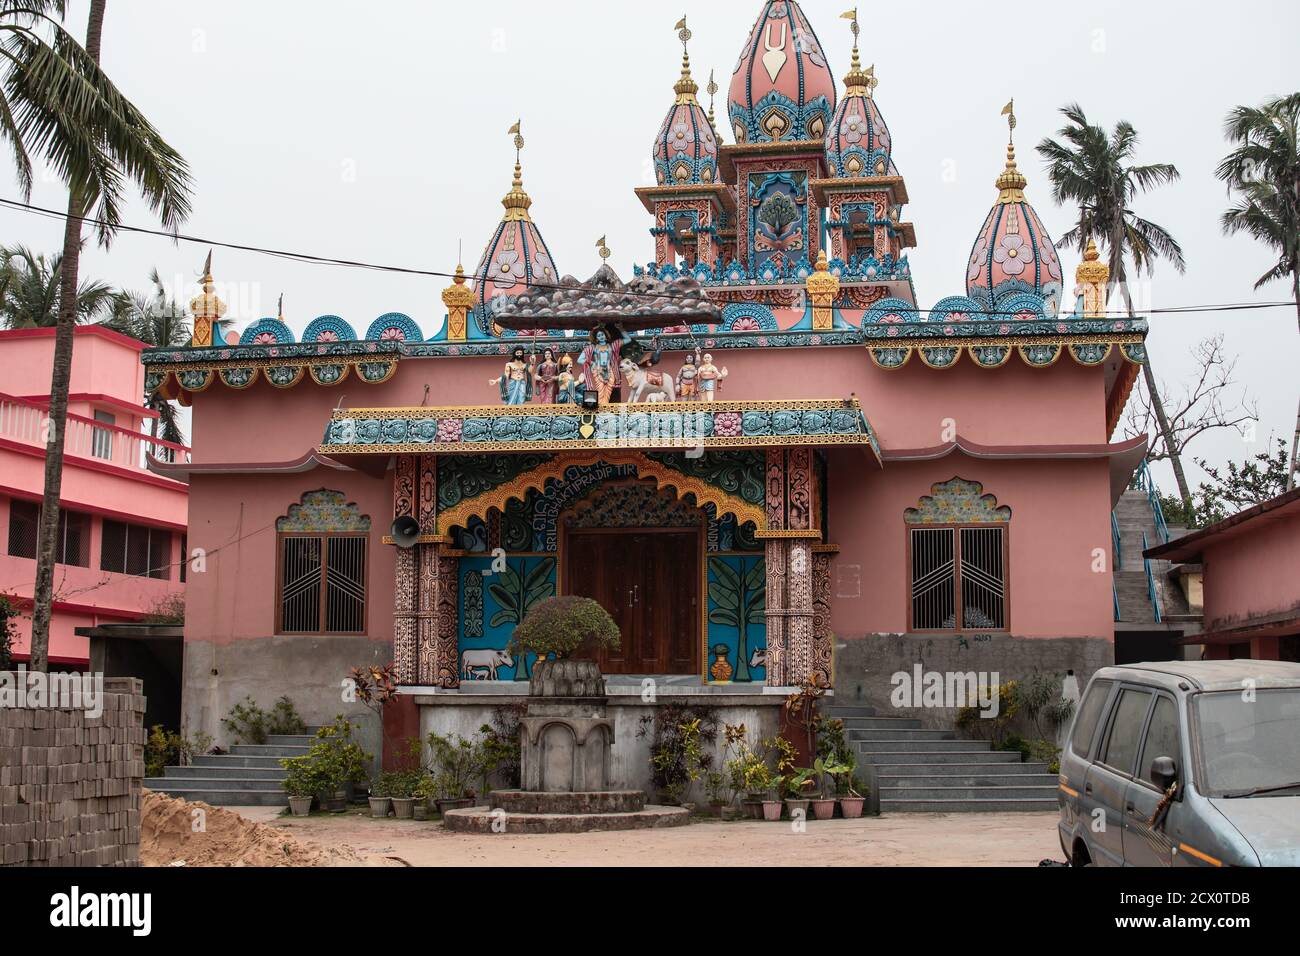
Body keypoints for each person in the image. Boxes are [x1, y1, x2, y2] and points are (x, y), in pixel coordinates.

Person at [577, 324, 630, 405]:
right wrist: (592, 363)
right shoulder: (593, 347)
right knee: (600, 391)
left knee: (608, 392)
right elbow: (580, 360)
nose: (601, 337)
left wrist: (621, 328)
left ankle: (605, 410)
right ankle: (602, 411)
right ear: (596, 338)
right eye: (598, 336)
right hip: (598, 371)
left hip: (610, 371)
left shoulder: (613, 346)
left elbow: (628, 339)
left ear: (606, 335)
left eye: (602, 334)